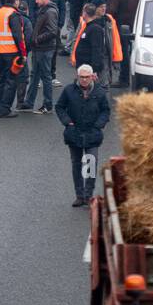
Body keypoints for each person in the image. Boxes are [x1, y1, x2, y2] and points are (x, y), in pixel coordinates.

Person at [56, 65, 112, 206]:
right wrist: (67, 122)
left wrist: (99, 124)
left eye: (87, 77)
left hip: (92, 134)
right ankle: (79, 195)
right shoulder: (69, 90)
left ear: (92, 76)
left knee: (90, 164)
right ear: (77, 76)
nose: (84, 80)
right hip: (74, 134)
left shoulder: (99, 92)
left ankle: (88, 195)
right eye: (82, 77)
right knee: (76, 164)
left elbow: (105, 111)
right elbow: (59, 107)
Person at [0, 0, 28, 118]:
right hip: (12, 52)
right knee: (11, 81)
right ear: (16, 1)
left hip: (0, 51)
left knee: (0, 80)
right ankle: (5, 109)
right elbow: (18, 36)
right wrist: (23, 53)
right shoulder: (13, 14)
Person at [23, 0, 59, 114]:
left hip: (45, 49)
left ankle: (47, 105)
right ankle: (29, 102)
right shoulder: (45, 10)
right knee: (35, 76)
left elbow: (53, 31)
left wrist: (37, 39)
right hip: (39, 49)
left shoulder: (49, 12)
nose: (36, 2)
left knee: (45, 77)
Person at [106, 0, 141, 88]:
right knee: (135, 53)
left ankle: (123, 79)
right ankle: (136, 76)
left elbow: (110, 12)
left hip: (120, 28)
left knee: (123, 53)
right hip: (136, 27)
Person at [71, 2, 109, 85]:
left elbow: (97, 50)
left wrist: (94, 70)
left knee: (93, 92)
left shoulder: (95, 29)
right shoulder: (89, 27)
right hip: (84, 69)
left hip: (89, 72)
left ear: (85, 13)